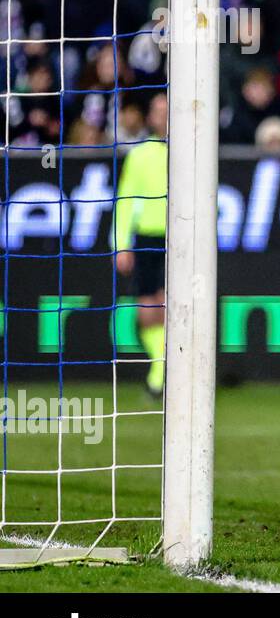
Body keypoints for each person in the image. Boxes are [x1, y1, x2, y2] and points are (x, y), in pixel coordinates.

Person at [113, 92, 169, 396]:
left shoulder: (192, 151)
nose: (164, 116)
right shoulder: (140, 154)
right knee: (147, 310)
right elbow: (124, 201)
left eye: (169, 110)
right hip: (147, 237)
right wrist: (121, 244)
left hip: (180, 240)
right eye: (159, 110)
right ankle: (161, 367)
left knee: (171, 305)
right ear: (151, 117)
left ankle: (161, 377)